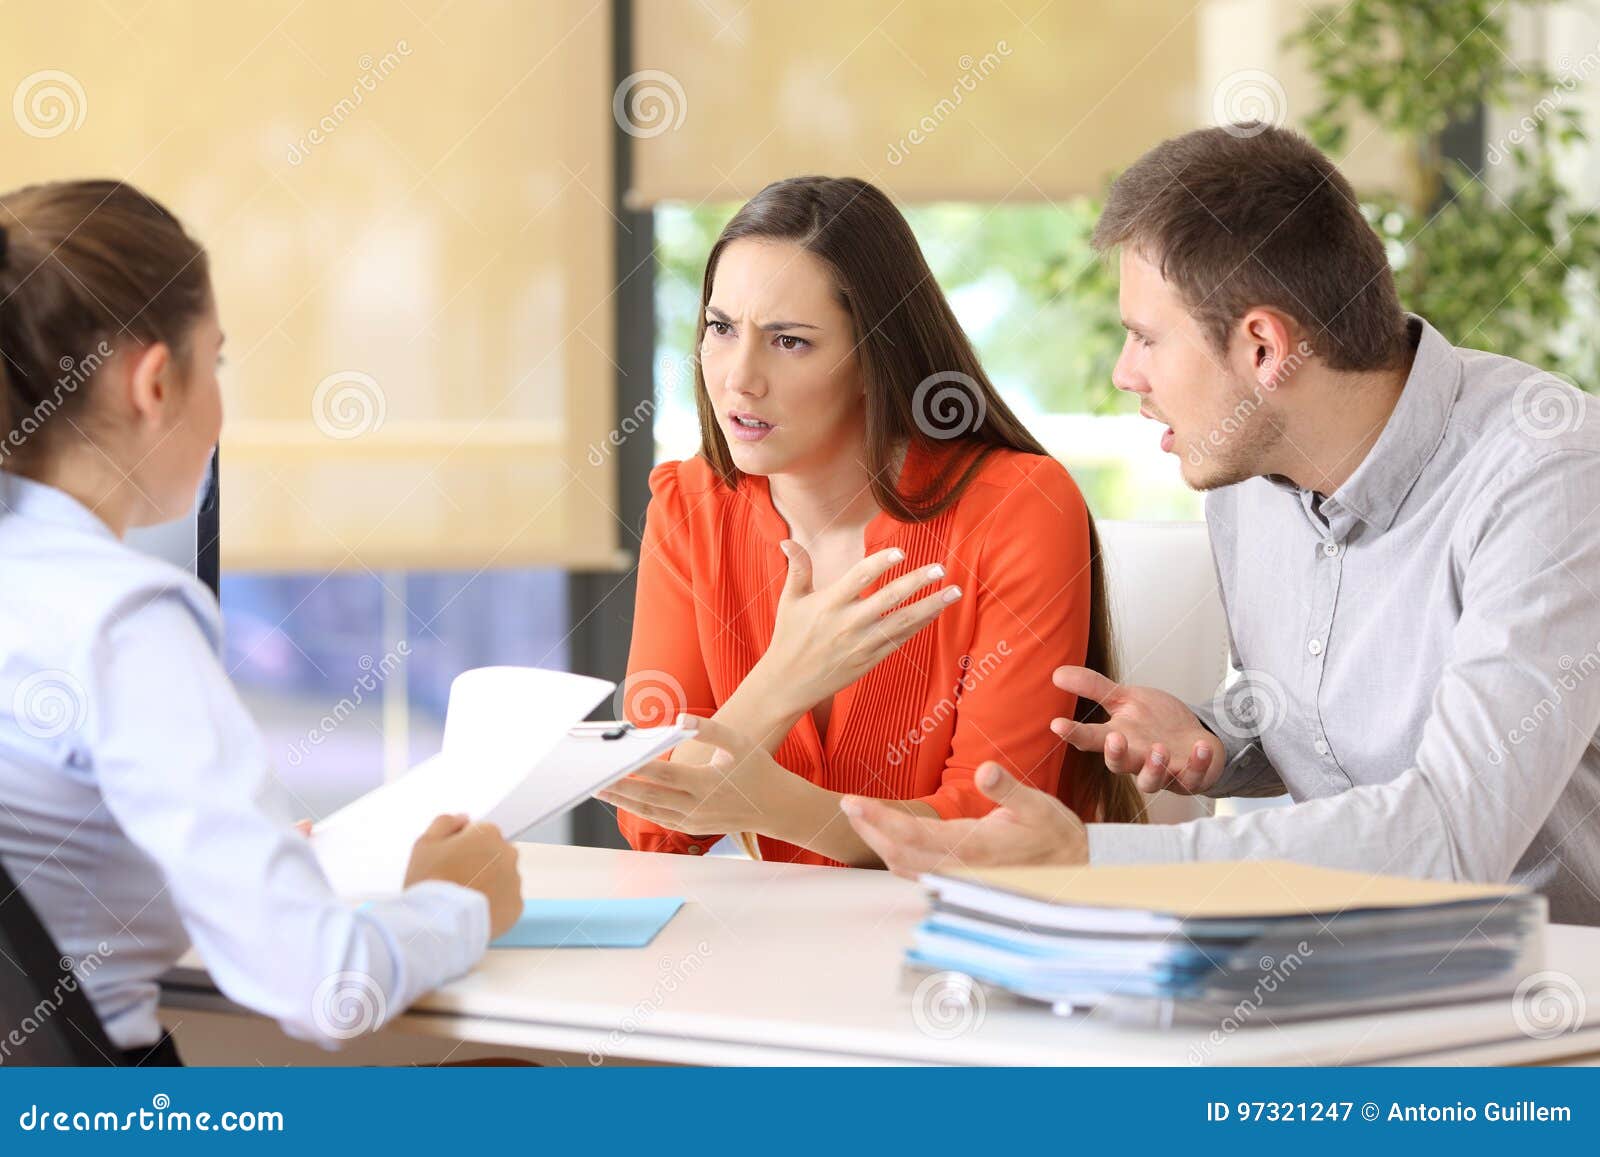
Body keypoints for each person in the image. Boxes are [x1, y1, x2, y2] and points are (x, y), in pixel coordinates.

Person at [833, 124, 1600, 926]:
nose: (1126, 373)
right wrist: (1215, 736)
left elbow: (1450, 835)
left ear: (1265, 347)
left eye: (1146, 337)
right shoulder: (1248, 473)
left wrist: (1091, 862)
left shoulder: (1550, 476)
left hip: (1552, 988)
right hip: (1353, 962)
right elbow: (1331, 717)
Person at [0, 180, 524, 1063]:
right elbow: (325, 986)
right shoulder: (119, 620)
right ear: (154, 381)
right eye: (219, 361)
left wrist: (245, 859)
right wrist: (456, 898)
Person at [599, 176, 1144, 868]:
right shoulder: (689, 507)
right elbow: (654, 827)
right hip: (778, 947)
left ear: (872, 357)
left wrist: (771, 803)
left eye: (789, 341)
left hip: (975, 934)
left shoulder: (1019, 507)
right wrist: (780, 681)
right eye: (721, 327)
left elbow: (994, 829)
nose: (739, 378)